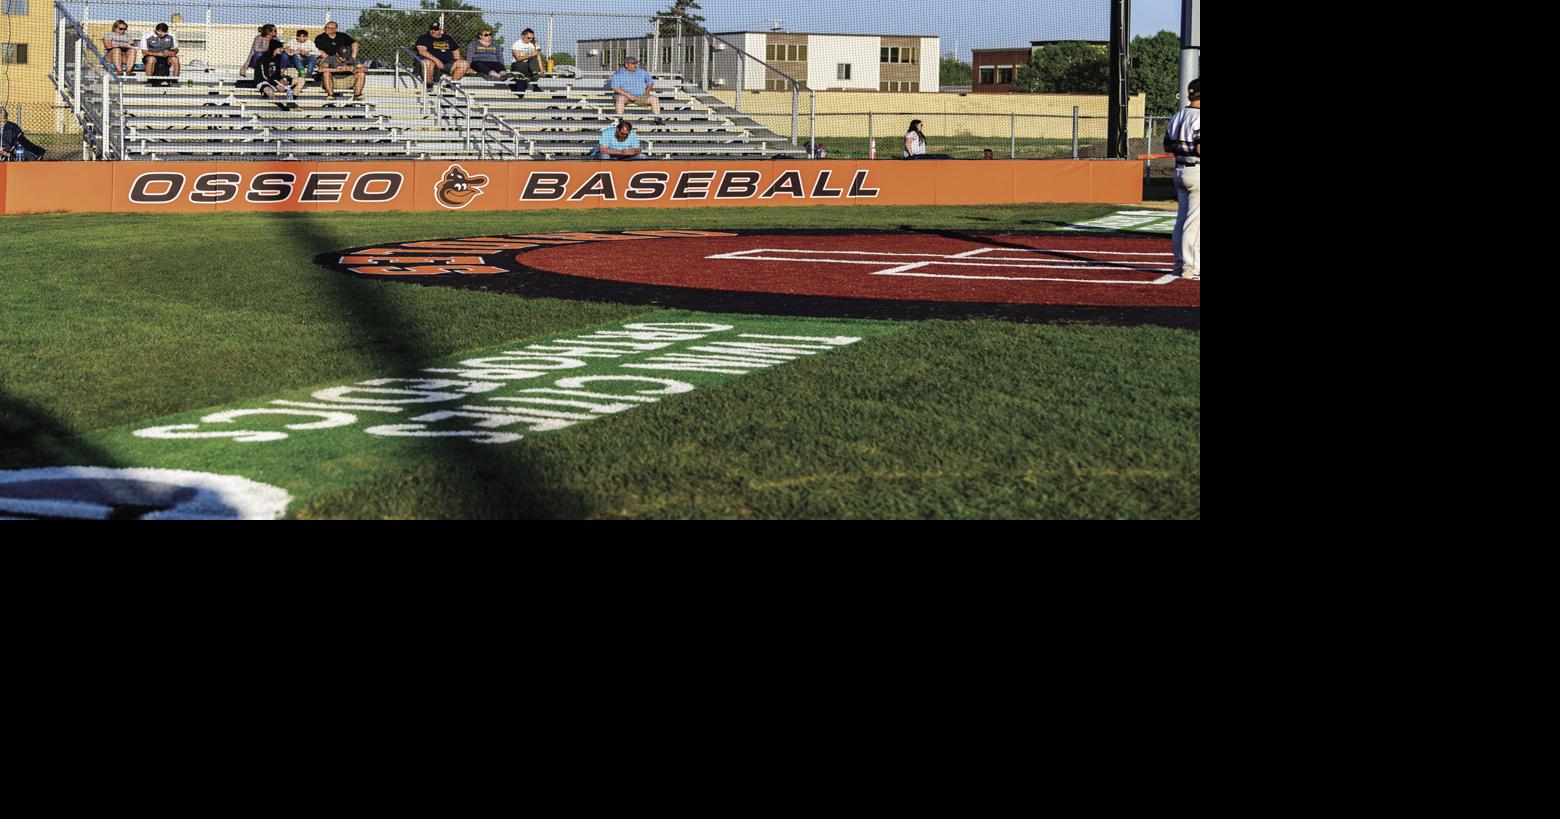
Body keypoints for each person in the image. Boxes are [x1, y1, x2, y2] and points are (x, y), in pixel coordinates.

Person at [1164, 77, 1200, 280]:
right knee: (1194, 222)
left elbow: (1167, 146)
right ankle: (1190, 266)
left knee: (1182, 220)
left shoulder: (1178, 115)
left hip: (1180, 169)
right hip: (1196, 170)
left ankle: (1180, 263)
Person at [415, 22, 469, 91]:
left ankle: (450, 86)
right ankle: (429, 86)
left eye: (436, 29)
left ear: (441, 30)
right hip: (431, 64)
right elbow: (422, 51)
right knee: (427, 63)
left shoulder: (448, 38)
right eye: (431, 29)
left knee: (464, 64)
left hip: (447, 63)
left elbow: (456, 51)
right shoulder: (424, 38)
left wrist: (456, 62)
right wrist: (436, 60)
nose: (433, 31)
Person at [610, 55, 661, 122]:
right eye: (633, 64)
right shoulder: (618, 74)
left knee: (654, 99)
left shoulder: (641, 72)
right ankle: (619, 120)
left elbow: (650, 82)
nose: (636, 65)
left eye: (636, 63)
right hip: (625, 96)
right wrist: (628, 95)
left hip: (640, 96)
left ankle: (657, 119)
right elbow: (615, 88)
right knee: (620, 99)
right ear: (626, 65)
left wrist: (646, 92)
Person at [254, 41, 302, 110]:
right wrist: (277, 84)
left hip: (275, 80)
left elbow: (277, 74)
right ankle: (282, 106)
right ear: (274, 48)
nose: (281, 49)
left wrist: (282, 80)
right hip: (263, 81)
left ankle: (290, 101)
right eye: (279, 48)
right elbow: (265, 76)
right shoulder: (263, 58)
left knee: (301, 80)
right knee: (269, 92)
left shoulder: (278, 57)